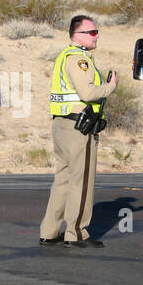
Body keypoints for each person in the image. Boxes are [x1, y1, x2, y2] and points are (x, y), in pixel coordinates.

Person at [39, 14, 117, 249]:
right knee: (80, 181)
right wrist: (111, 86)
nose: (96, 36)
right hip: (78, 128)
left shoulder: (65, 56)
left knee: (62, 179)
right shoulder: (78, 59)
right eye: (91, 32)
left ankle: (49, 231)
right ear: (77, 35)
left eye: (96, 32)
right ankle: (76, 232)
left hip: (63, 124)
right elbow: (88, 94)